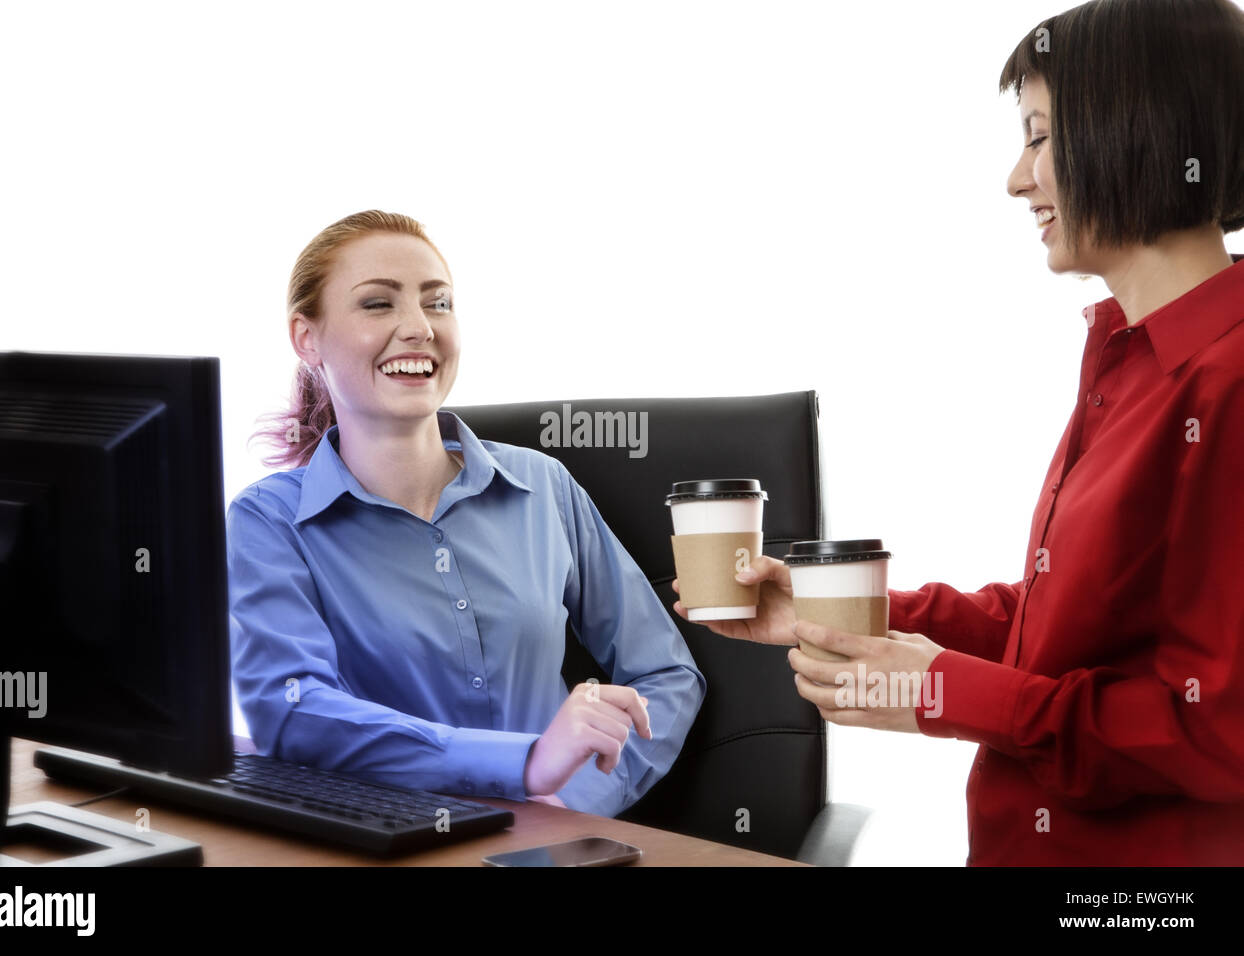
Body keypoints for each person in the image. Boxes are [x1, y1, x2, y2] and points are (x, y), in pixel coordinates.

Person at [675, 0, 1244, 865]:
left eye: (1041, 137)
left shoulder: (1228, 384)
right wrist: (848, 616)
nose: (1017, 179)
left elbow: (1215, 732)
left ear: (1142, 128)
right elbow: (1065, 626)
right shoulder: (1127, 361)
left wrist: (943, 692)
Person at [227, 210, 705, 817]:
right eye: (377, 304)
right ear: (307, 337)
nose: (419, 327)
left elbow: (665, 675)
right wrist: (524, 763)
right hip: (385, 848)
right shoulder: (269, 523)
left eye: (439, 303)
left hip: (553, 842)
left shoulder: (542, 486)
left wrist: (570, 795)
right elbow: (292, 711)